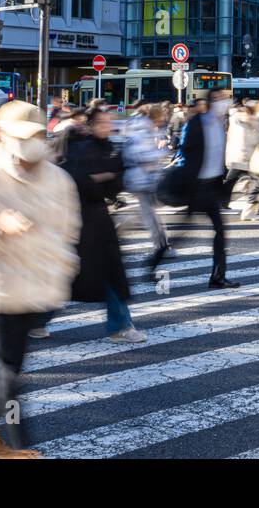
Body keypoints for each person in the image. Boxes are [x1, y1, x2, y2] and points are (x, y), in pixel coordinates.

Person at [0, 101, 82, 458]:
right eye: (23, 136)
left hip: (45, 285)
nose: (31, 143)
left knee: (10, 367)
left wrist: (65, 266)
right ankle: (13, 444)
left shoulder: (59, 178)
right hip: (3, 285)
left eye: (37, 135)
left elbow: (69, 229)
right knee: (9, 369)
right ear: (0, 134)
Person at [63, 108, 145, 343]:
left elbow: (113, 184)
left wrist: (106, 177)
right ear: (89, 125)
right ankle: (36, 318)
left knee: (106, 274)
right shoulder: (80, 148)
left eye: (109, 123)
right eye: (101, 123)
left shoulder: (108, 148)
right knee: (68, 276)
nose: (107, 127)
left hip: (99, 219)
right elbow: (81, 181)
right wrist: (104, 177)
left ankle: (120, 325)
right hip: (79, 220)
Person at [170, 91, 237, 287]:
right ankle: (155, 261)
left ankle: (217, 277)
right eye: (219, 99)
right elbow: (187, 151)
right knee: (184, 231)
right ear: (210, 103)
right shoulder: (197, 123)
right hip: (197, 186)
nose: (224, 102)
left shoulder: (220, 125)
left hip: (211, 187)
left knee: (220, 231)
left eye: (225, 99)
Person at [122, 103, 170, 257]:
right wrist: (161, 153)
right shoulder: (142, 130)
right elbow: (140, 155)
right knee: (150, 215)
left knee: (149, 213)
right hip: (142, 179)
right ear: (155, 116)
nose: (163, 119)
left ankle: (161, 245)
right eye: (162, 116)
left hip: (144, 178)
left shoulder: (144, 128)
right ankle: (162, 246)